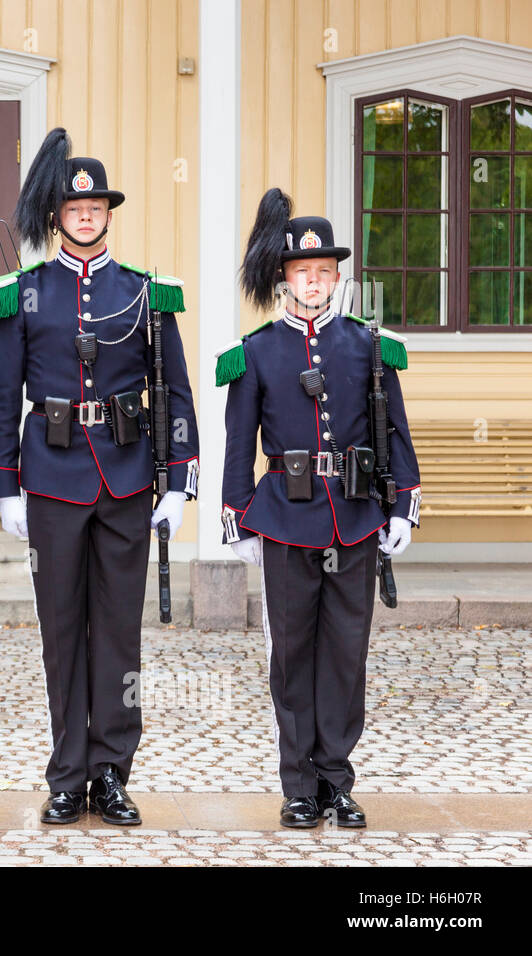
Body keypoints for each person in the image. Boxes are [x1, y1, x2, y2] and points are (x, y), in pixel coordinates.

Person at [0, 128, 200, 825]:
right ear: (58, 216)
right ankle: (67, 774)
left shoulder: (144, 293)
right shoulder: (22, 294)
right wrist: (5, 485)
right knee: (61, 631)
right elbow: (2, 391)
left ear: (108, 213)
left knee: (118, 635)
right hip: (50, 477)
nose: (86, 215)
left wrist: (179, 478)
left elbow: (178, 391)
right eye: (75, 208)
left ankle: (112, 772)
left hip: (128, 476)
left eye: (97, 206)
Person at [217, 187, 422, 828]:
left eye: (324, 272)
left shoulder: (368, 344)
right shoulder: (254, 352)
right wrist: (237, 516)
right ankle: (299, 784)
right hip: (284, 516)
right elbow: (238, 441)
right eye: (303, 272)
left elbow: (395, 432)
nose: (314, 281)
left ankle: (338, 779)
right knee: (292, 653)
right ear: (285, 278)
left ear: (338, 278)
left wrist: (402, 507)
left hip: (355, 513)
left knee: (345, 652)